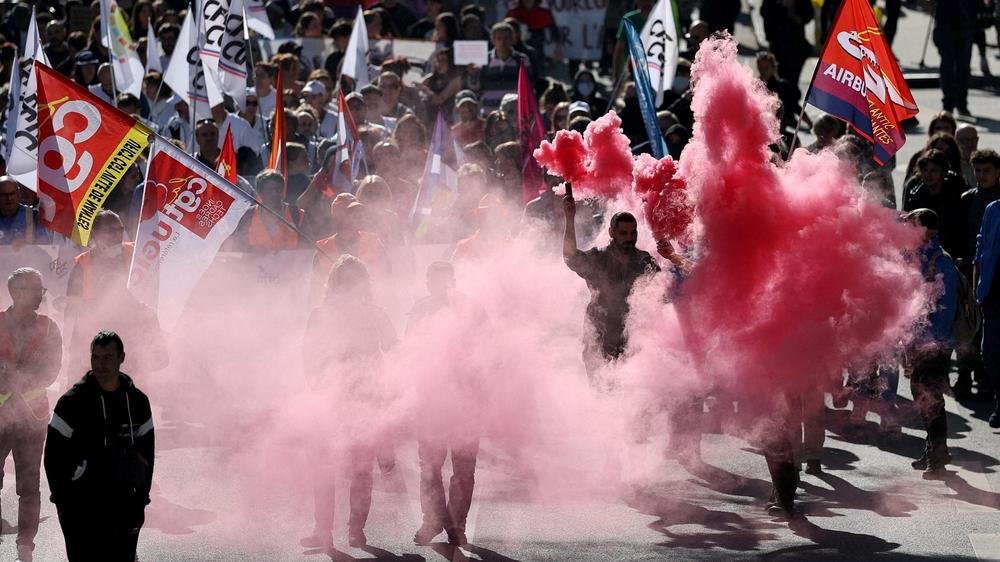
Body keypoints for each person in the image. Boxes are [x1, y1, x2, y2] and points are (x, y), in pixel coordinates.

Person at [301, 256, 397, 549]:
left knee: (343, 466)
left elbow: (308, 355)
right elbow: (309, 354)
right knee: (353, 467)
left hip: (353, 394)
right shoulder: (332, 314)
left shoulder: (367, 314)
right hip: (343, 394)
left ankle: (336, 530)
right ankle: (347, 530)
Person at [45, 331, 155, 561]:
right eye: (95, 357)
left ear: (121, 358)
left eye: (107, 357)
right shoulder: (71, 402)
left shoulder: (138, 402)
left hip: (124, 504)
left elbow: (148, 454)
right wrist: (63, 502)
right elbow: (52, 457)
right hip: (81, 507)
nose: (100, 364)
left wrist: (141, 499)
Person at [562, 193, 684, 383]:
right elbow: (570, 257)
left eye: (632, 233)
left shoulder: (645, 261)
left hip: (633, 337)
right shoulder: (598, 258)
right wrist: (569, 218)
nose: (629, 238)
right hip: (600, 335)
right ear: (611, 233)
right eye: (623, 233)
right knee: (602, 390)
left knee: (632, 390)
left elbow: (662, 294)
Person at [409, 262, 484, 547]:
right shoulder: (419, 310)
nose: (439, 287)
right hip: (432, 400)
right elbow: (411, 352)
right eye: (434, 281)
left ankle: (456, 525)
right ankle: (432, 522)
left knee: (464, 469)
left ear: (453, 281)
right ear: (428, 284)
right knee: (430, 466)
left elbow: (487, 350)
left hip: (466, 401)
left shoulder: (472, 309)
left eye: (444, 281)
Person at [0, 268, 62, 562]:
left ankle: (25, 546)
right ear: (18, 293)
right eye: (37, 289)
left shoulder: (49, 327)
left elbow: (52, 371)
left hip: (32, 419)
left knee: (29, 484)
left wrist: (19, 378)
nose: (41, 294)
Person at [904, 209, 958, 476]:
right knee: (922, 394)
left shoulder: (940, 260)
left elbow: (946, 309)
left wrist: (929, 341)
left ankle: (937, 454)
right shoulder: (916, 257)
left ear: (923, 231)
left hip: (934, 343)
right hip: (920, 340)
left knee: (930, 397)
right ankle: (934, 448)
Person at [956, 149, 1000, 399]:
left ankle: (986, 377)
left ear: (997, 172)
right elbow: (959, 234)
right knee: (967, 326)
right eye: (978, 170)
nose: (981, 175)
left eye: (987, 171)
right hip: (969, 271)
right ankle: (965, 373)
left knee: (990, 333)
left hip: (993, 274)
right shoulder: (968, 199)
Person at [0, 176, 50, 245]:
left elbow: (45, 245)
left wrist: (26, 246)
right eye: (4, 195)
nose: (8, 198)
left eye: (12, 194)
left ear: (18, 194)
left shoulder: (33, 216)